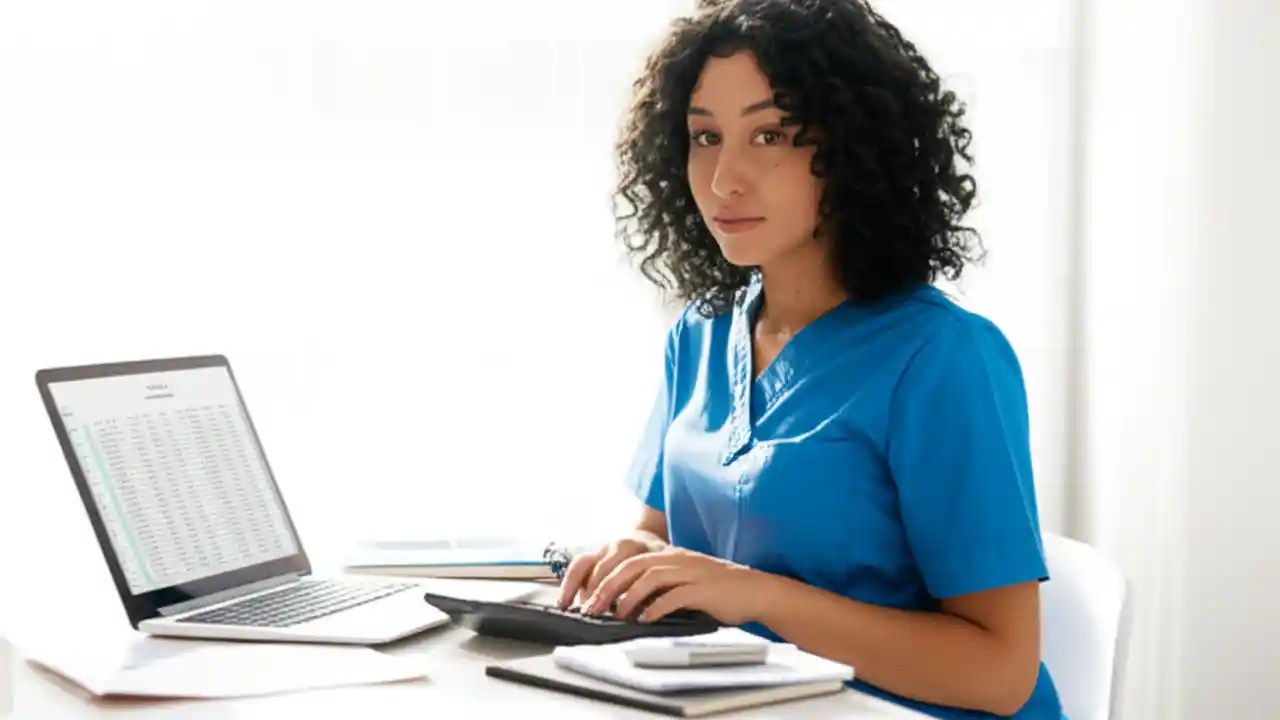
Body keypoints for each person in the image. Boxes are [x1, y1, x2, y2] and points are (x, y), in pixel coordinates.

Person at [558, 0, 1065, 718]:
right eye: (704, 137)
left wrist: (759, 596)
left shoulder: (945, 358)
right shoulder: (699, 337)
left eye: (770, 134)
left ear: (854, 146)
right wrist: (628, 559)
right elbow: (662, 533)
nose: (724, 178)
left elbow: (1000, 671)